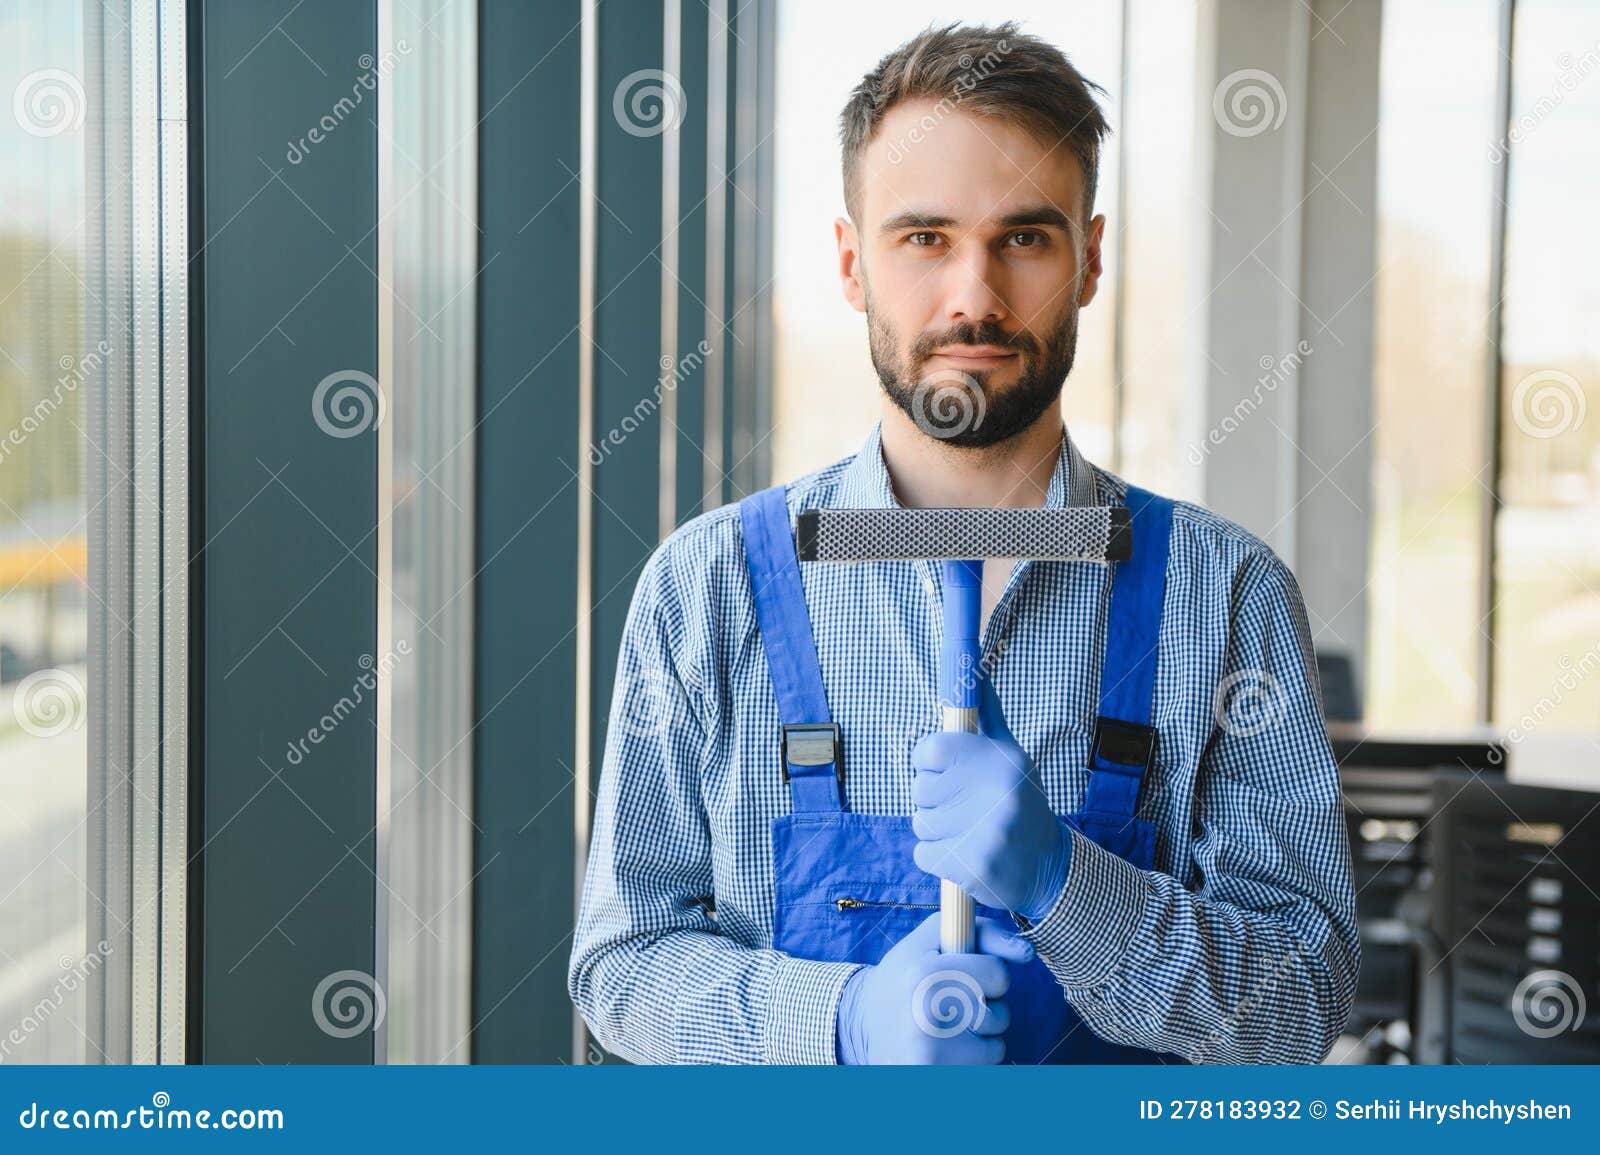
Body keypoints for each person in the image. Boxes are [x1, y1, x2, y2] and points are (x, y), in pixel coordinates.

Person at [568, 21, 1359, 1065]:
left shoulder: (1224, 594)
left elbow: (1297, 1006)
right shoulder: (706, 586)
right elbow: (622, 967)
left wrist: (1066, 885)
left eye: (1024, 238)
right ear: (852, 264)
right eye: (924, 238)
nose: (974, 297)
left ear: (1090, 260)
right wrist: (843, 1023)